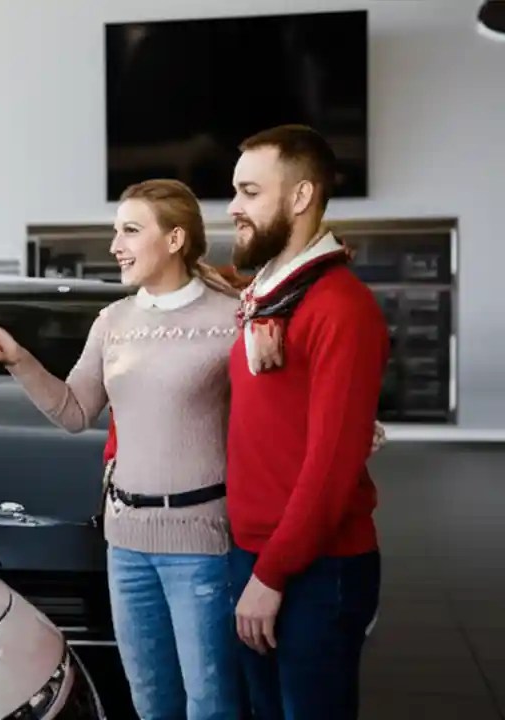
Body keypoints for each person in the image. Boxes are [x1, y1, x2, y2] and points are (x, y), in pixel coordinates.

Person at [0, 178, 244, 720]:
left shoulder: (231, 318)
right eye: (115, 230)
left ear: (174, 239)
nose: (115, 245)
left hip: (203, 544)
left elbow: (275, 413)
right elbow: (75, 412)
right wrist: (19, 361)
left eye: (130, 230)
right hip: (125, 543)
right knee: (149, 701)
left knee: (211, 704)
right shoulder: (114, 320)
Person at [224, 124, 389, 719]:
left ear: (299, 197)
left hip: (313, 568)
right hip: (256, 553)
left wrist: (271, 575)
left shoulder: (341, 307)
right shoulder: (267, 296)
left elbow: (332, 468)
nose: (233, 207)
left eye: (248, 191)